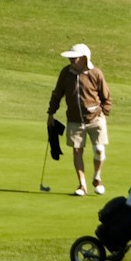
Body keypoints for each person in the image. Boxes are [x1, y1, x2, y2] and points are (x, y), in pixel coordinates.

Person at [48, 42, 111, 197]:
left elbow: (106, 97)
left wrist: (103, 111)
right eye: (70, 58)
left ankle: (97, 177)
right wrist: (51, 113)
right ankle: (82, 185)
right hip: (75, 119)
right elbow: (57, 94)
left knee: (99, 149)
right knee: (77, 151)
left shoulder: (95, 73)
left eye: (74, 58)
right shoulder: (66, 73)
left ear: (84, 58)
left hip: (95, 118)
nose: (71, 60)